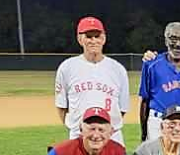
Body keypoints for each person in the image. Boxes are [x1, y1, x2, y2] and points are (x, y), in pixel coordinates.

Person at [55, 16, 129, 145]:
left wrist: (105, 129)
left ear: (104, 38)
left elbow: (122, 108)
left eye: (97, 36)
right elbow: (62, 107)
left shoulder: (118, 69)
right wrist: (76, 127)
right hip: (79, 136)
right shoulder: (67, 67)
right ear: (80, 39)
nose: (93, 40)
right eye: (88, 36)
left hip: (112, 136)